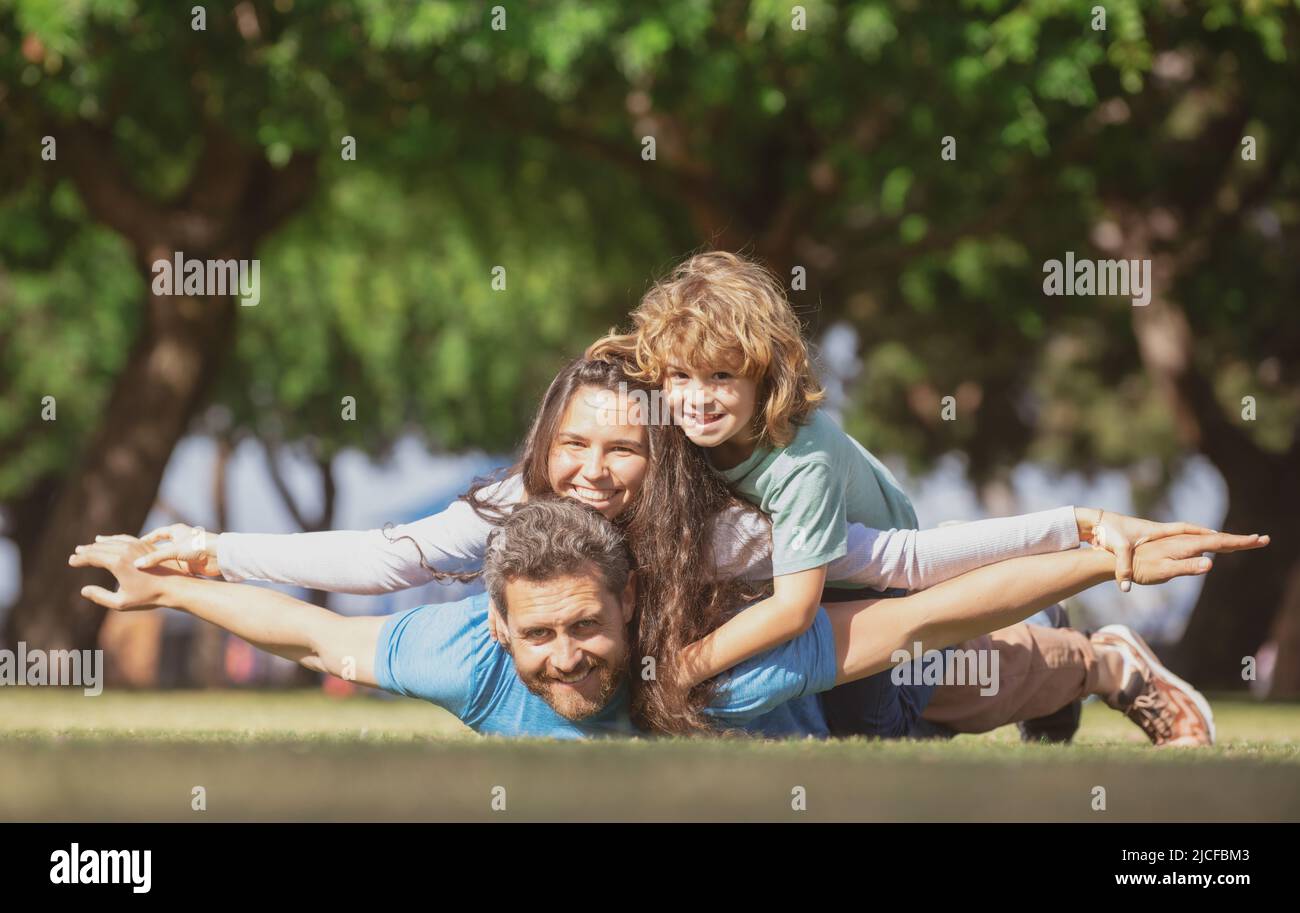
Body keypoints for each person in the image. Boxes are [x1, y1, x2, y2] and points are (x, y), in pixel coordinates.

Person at [130, 356, 1217, 740]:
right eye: (573, 447)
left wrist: (1088, 535)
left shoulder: (724, 525)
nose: (594, 470)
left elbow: (902, 577)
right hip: (732, 667)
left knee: (906, 699)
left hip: (795, 635)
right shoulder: (509, 520)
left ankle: (1098, 661)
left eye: (621, 448)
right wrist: (205, 559)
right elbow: (364, 580)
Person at [584, 252, 1200, 733]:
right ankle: (1037, 635)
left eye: (722, 375)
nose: (699, 396)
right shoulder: (674, 422)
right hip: (798, 573)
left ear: (764, 376)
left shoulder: (801, 459)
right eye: (683, 377)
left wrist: (679, 670)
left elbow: (799, 609)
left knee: (882, 723)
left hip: (877, 576)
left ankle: (1081, 659)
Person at [71, 498, 1267, 744]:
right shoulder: (466, 656)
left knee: (946, 679)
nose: (561, 655)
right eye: (535, 634)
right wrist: (171, 584)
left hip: (842, 703)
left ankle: (1096, 664)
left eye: (583, 627)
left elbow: (922, 599)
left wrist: (1082, 550)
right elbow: (316, 633)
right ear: (491, 621)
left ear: (630, 607)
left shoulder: (695, 674)